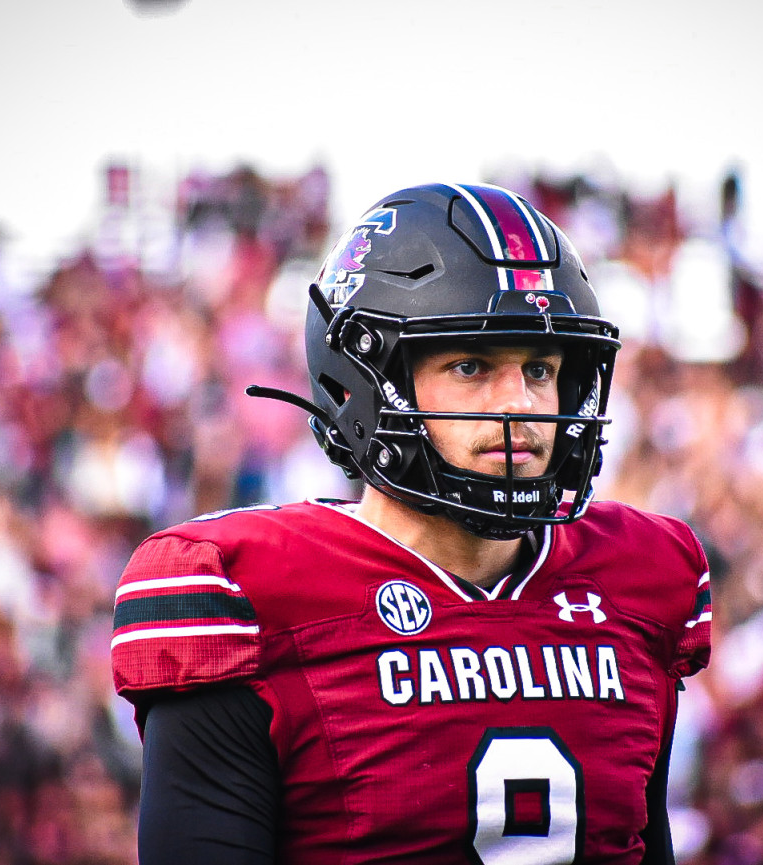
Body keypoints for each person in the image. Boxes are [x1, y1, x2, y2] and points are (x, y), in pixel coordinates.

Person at [110, 182, 712, 864]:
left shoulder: (640, 575)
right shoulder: (239, 592)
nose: (521, 404)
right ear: (364, 384)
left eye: (540, 368)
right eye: (470, 365)